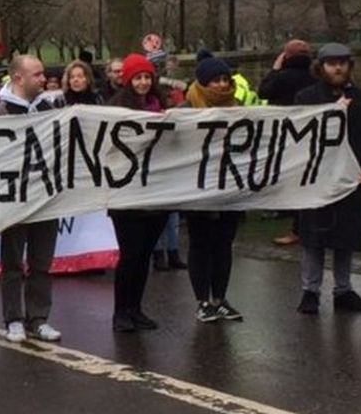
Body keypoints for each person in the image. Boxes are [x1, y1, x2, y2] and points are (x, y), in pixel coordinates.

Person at [295, 43, 361, 314]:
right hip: (317, 178)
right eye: (332, 63)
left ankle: (343, 290)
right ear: (320, 67)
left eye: (343, 62)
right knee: (313, 237)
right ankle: (310, 291)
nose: (338, 67)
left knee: (345, 236)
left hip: (349, 178)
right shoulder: (306, 98)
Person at [0, 55, 63, 343]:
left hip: (45, 197)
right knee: (12, 262)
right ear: (19, 78)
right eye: (37, 74)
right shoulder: (0, 112)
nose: (43, 79)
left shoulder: (50, 108)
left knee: (41, 261)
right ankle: (13, 319)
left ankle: (38, 317)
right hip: (15, 200)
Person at [107, 54, 170, 332]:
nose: (143, 83)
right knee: (130, 254)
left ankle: (136, 308)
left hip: (157, 192)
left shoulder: (162, 105)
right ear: (128, 80)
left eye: (147, 77)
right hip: (128, 195)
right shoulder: (117, 108)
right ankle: (121, 311)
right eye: (138, 78)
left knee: (144, 254)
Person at [182, 58, 245, 322]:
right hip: (199, 188)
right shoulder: (187, 108)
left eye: (224, 80)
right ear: (203, 82)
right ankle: (202, 300)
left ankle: (220, 298)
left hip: (229, 187)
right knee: (201, 244)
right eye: (215, 80)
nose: (221, 85)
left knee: (223, 244)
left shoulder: (238, 108)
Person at [259, 39, 316, 246]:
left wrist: (275, 70)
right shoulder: (314, 79)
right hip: (308, 136)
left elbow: (263, 92)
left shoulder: (281, 79)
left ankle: (293, 223)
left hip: (284, 135)